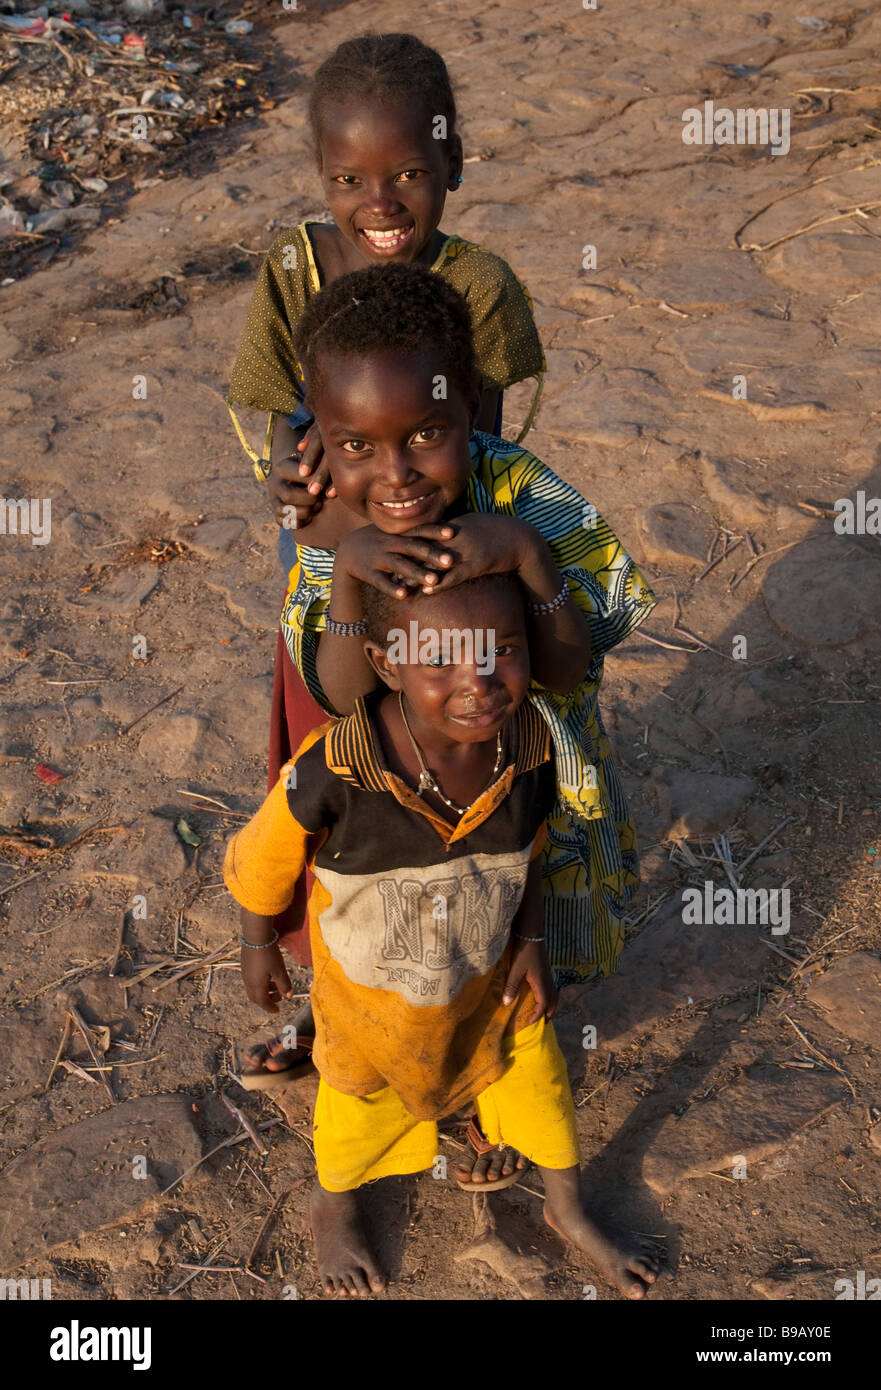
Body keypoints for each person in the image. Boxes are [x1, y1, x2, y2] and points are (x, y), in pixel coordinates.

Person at [240, 262, 657, 1191]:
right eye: (356, 445)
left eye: (427, 434)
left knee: (511, 950)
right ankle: (393, 1092)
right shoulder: (331, 526)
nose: (395, 473)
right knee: (403, 966)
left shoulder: (522, 496)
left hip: (518, 785)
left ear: (469, 407)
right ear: (319, 438)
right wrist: (347, 567)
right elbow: (346, 695)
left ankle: (491, 1092)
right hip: (404, 806)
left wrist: (526, 558)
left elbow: (572, 662)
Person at [224, 572, 660, 1300]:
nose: (480, 682)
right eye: (443, 661)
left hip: (489, 982)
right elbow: (262, 856)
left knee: (542, 1089)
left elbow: (532, 850)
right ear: (387, 664)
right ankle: (332, 1206)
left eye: (502, 651)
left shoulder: (525, 747)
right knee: (352, 1112)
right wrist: (256, 943)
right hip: (371, 1001)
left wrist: (531, 941)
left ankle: (567, 1209)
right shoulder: (337, 766)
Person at [226, 29, 545, 814]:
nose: (379, 204)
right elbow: (271, 398)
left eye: (407, 174)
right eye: (348, 178)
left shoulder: (478, 285)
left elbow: (479, 448)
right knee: (330, 720)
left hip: (437, 550)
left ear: (453, 164)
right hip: (323, 535)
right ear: (322, 176)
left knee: (423, 724)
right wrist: (286, 477)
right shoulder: (295, 267)